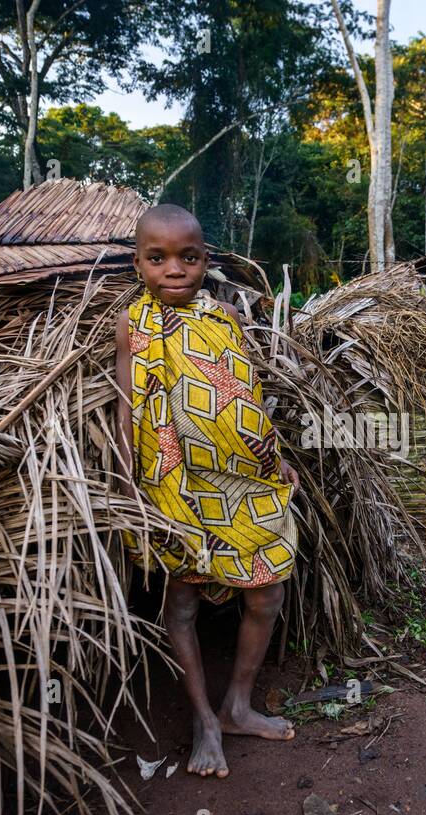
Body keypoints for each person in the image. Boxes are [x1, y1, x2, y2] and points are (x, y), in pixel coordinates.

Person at [115, 204, 300, 778]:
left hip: (243, 479)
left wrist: (277, 457)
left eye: (188, 257)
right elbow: (129, 406)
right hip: (174, 485)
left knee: (266, 593)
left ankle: (238, 705)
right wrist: (130, 480)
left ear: (205, 261)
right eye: (158, 258)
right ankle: (203, 717)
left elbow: (244, 394)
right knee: (184, 600)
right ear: (139, 263)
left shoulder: (224, 318)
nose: (175, 270)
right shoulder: (131, 325)